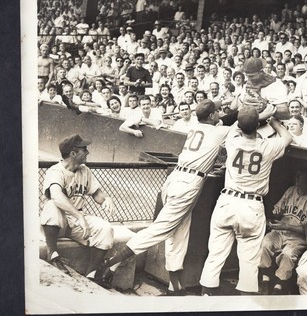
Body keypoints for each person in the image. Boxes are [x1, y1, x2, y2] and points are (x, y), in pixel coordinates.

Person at [95, 100, 236, 294]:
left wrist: (225, 103)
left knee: (178, 234)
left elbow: (218, 115)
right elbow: (239, 121)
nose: (219, 115)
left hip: (175, 178)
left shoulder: (196, 125)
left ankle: (174, 285)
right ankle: (110, 264)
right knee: (160, 230)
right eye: (216, 113)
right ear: (211, 116)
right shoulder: (218, 131)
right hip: (188, 183)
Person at [199, 107, 293, 295]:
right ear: (257, 126)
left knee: (215, 256)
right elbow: (287, 137)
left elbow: (237, 124)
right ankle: (244, 305)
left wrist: (259, 116)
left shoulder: (232, 140)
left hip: (227, 201)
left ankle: (205, 299)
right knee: (249, 261)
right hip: (251, 205)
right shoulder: (267, 146)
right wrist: (273, 119)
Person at [40, 134, 116, 285]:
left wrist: (107, 199)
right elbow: (55, 195)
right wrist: (79, 217)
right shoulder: (55, 171)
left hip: (77, 222)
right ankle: (53, 255)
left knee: (105, 228)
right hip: (57, 224)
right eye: (84, 149)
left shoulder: (85, 171)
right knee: (52, 206)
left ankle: (92, 275)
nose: (88, 152)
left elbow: (96, 194)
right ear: (73, 153)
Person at [259, 169, 307, 295]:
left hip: (298, 238)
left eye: (301, 178)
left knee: (288, 254)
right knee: (265, 243)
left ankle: (279, 286)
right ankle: (265, 279)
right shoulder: (291, 190)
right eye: (297, 177)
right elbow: (278, 208)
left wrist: (286, 226)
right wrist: (277, 213)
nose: (297, 180)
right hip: (280, 232)